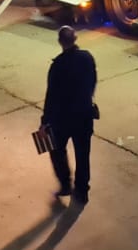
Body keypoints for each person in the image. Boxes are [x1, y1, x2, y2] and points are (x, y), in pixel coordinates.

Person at [42, 26, 97, 204]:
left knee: (57, 150)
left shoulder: (57, 66)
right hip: (83, 116)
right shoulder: (87, 58)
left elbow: (51, 97)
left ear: (60, 42)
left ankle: (65, 183)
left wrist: (45, 122)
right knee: (83, 155)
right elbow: (92, 82)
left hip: (63, 119)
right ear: (75, 38)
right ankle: (82, 191)